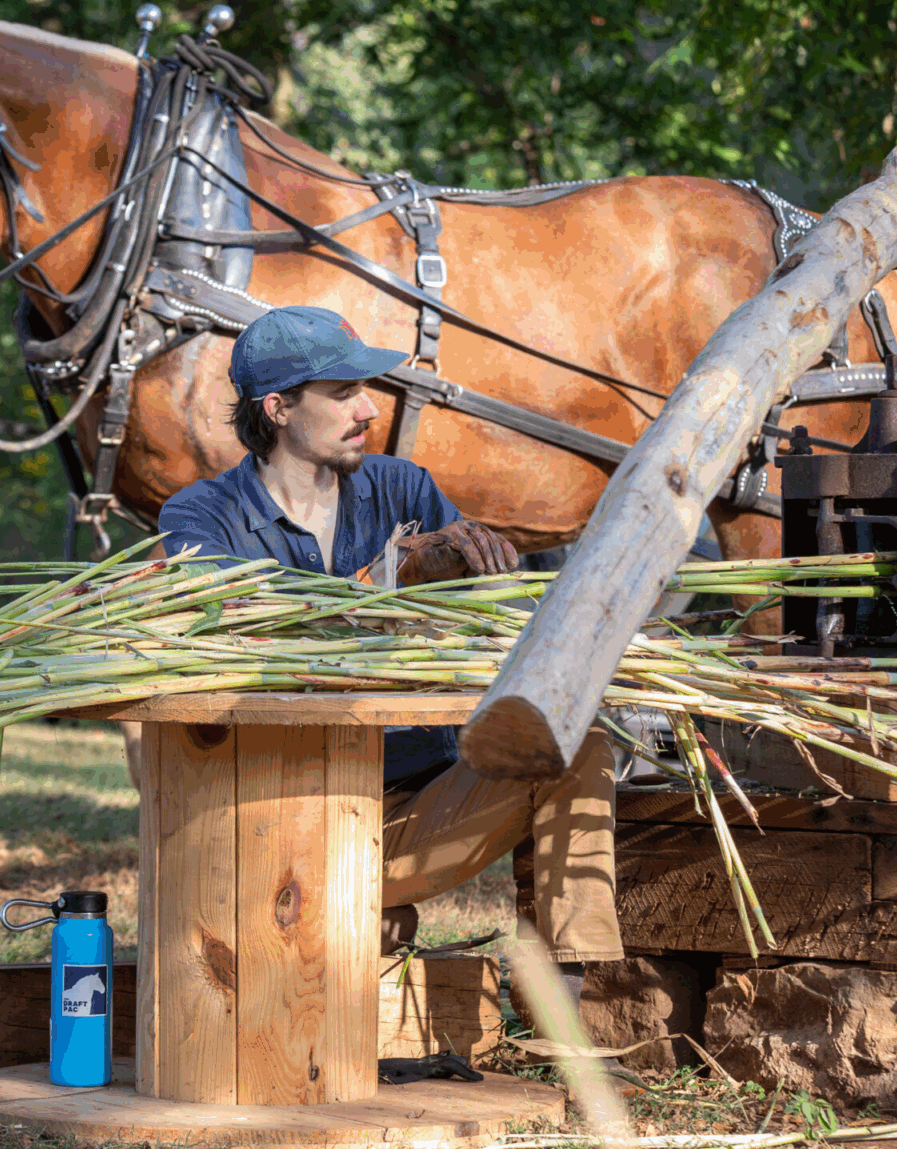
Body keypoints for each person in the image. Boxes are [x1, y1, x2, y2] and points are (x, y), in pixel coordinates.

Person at [158, 304, 630, 985]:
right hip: (276, 834)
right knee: (341, 934)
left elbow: (487, 620)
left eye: (366, 389)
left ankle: (566, 1002)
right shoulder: (202, 516)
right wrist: (386, 579)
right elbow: (245, 622)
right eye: (343, 392)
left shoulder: (404, 490)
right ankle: (354, 917)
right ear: (278, 408)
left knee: (574, 743)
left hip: (406, 811)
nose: (369, 410)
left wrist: (474, 575)